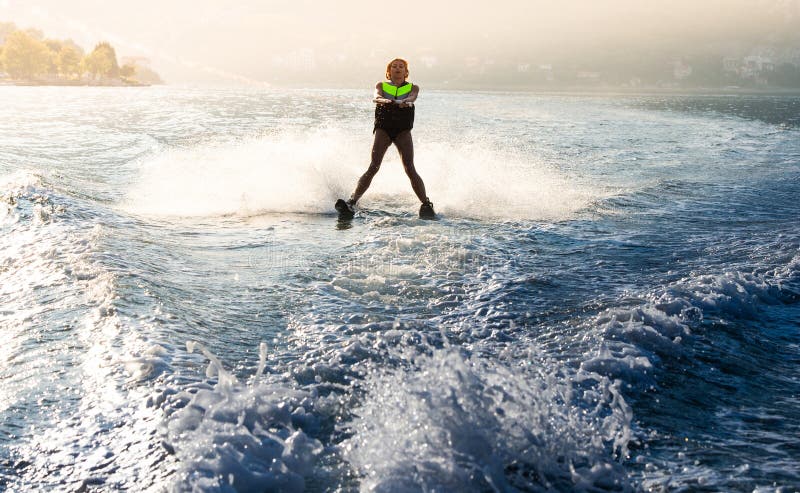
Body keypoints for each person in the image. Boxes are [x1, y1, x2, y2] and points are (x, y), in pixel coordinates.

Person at [336, 58, 435, 219]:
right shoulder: (381, 85)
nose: (397, 68)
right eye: (394, 66)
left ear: (406, 72)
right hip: (383, 129)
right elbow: (376, 97)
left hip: (403, 131)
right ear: (389, 71)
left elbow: (413, 97)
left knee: (410, 168)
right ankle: (352, 202)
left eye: (401, 67)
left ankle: (426, 203)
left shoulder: (413, 87)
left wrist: (405, 102)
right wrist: (385, 100)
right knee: (374, 166)